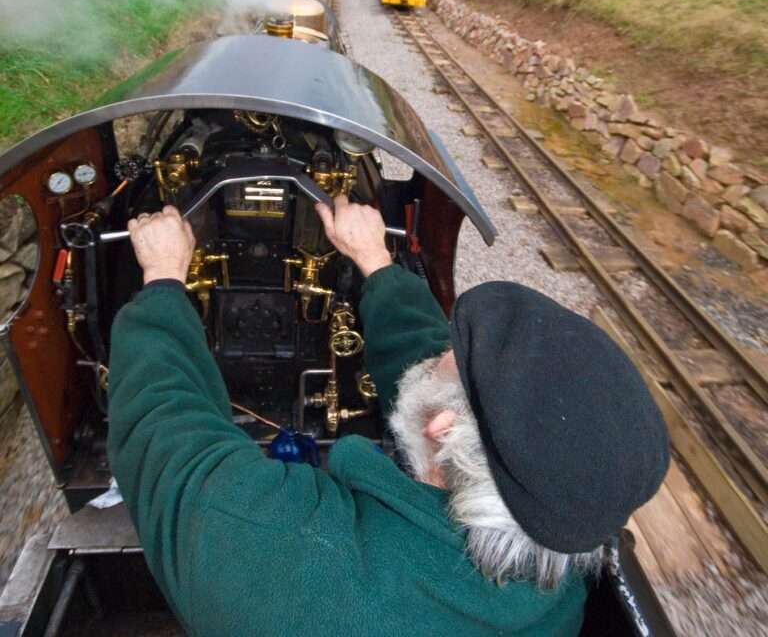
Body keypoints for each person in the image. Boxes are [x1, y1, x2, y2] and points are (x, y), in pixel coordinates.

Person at [108, 198, 669, 637]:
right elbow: (430, 380)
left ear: (442, 429)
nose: (442, 348)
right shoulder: (561, 563)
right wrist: (375, 260)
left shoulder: (282, 554)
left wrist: (161, 277)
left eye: (453, 352)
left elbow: (162, 429)